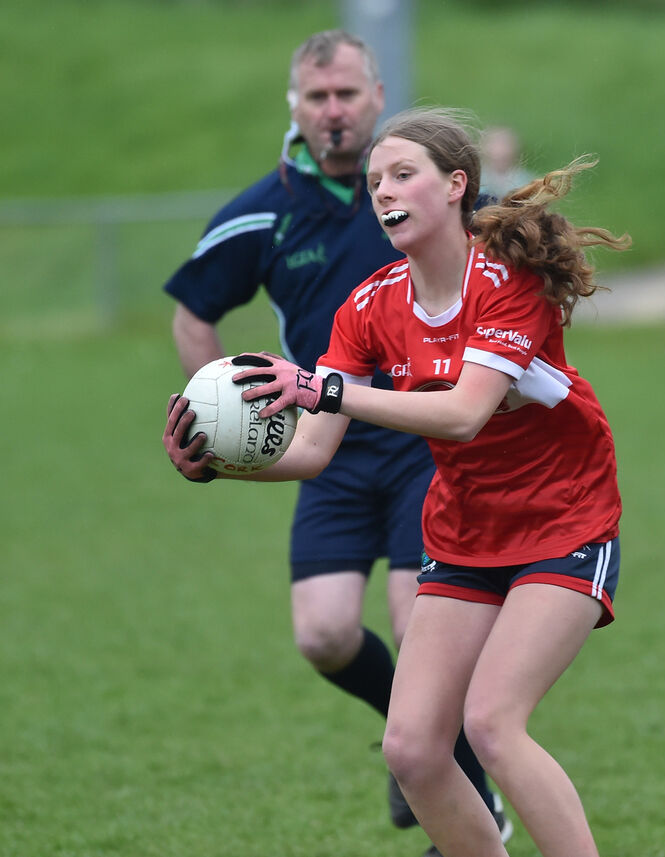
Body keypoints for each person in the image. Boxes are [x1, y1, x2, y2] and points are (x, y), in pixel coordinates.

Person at [164, 105, 630, 857]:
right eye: (376, 180)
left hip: (564, 522)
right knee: (412, 749)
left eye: (402, 175)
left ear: (456, 185)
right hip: (465, 532)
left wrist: (327, 388)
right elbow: (314, 449)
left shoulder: (505, 280)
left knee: (491, 724)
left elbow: (464, 414)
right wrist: (220, 465)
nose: (383, 192)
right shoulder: (371, 304)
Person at [160, 32, 508, 853]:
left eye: (347, 94)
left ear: (376, 97)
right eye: (317, 98)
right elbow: (192, 313)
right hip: (326, 439)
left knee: (417, 620)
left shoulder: (419, 193)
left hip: (425, 440)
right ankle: (415, 735)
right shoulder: (264, 212)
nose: (334, 112)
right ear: (295, 107)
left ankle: (460, 799)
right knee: (322, 633)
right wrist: (226, 424)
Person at [478, 125, 534, 199]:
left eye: (504, 145)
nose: (501, 151)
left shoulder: (526, 181)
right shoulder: (477, 180)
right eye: (495, 145)